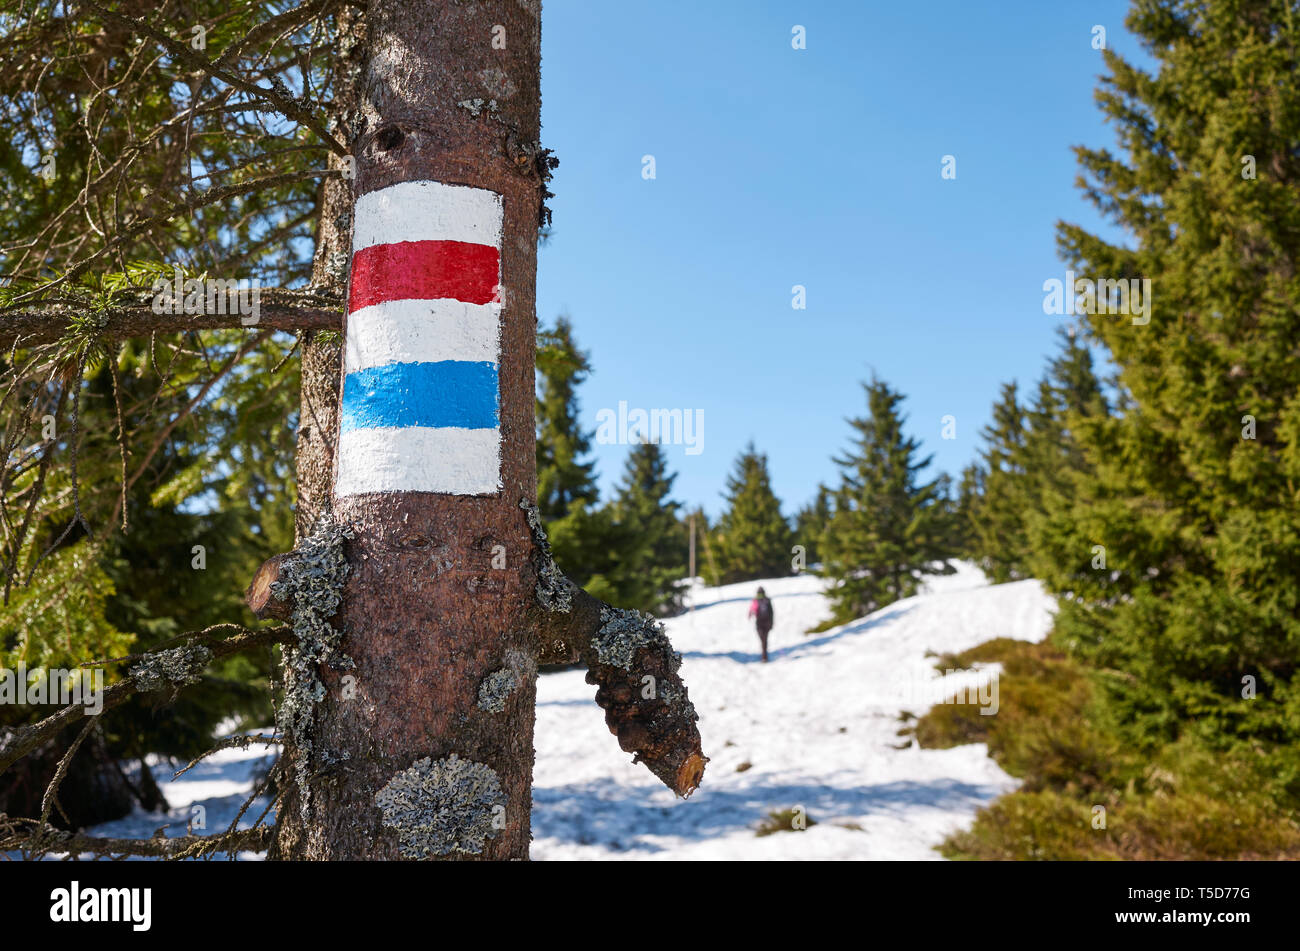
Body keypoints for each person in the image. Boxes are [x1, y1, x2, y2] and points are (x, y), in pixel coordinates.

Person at [748, 586, 774, 662]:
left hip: (760, 623)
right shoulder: (767, 600)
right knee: (764, 640)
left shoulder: (756, 601)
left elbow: (751, 610)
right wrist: (771, 623)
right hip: (766, 623)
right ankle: (764, 655)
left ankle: (764, 656)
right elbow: (771, 613)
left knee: (763, 640)